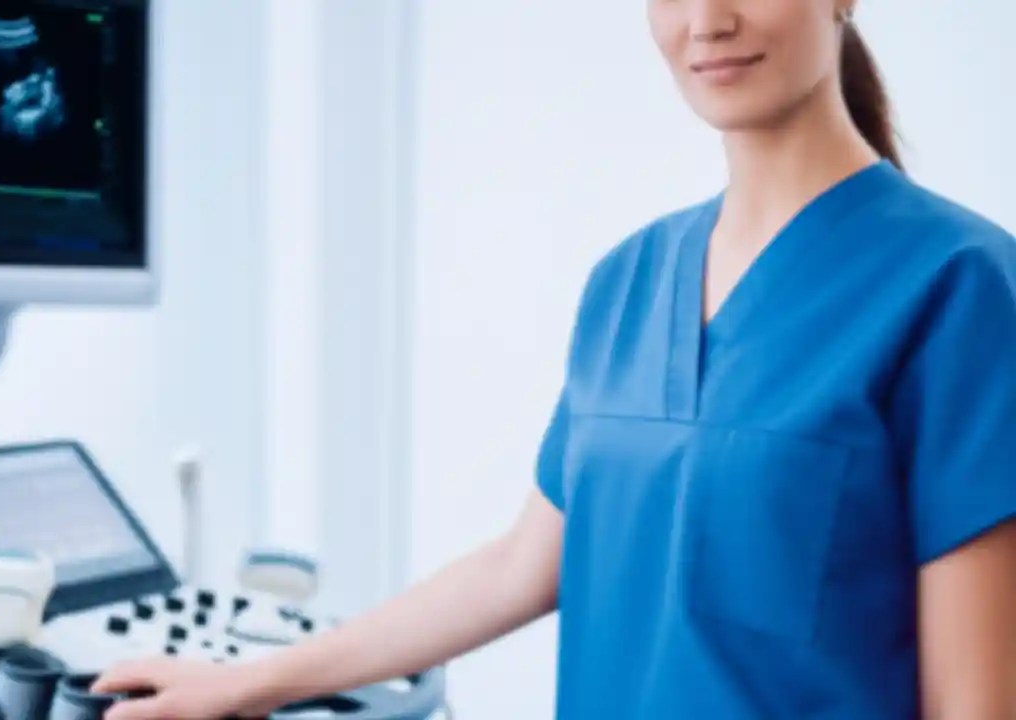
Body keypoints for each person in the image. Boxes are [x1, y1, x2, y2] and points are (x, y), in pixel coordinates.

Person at [93, 2, 1016, 718]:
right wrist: (250, 683)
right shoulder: (629, 281)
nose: (706, 23)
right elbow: (519, 568)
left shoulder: (958, 286)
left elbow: (977, 702)